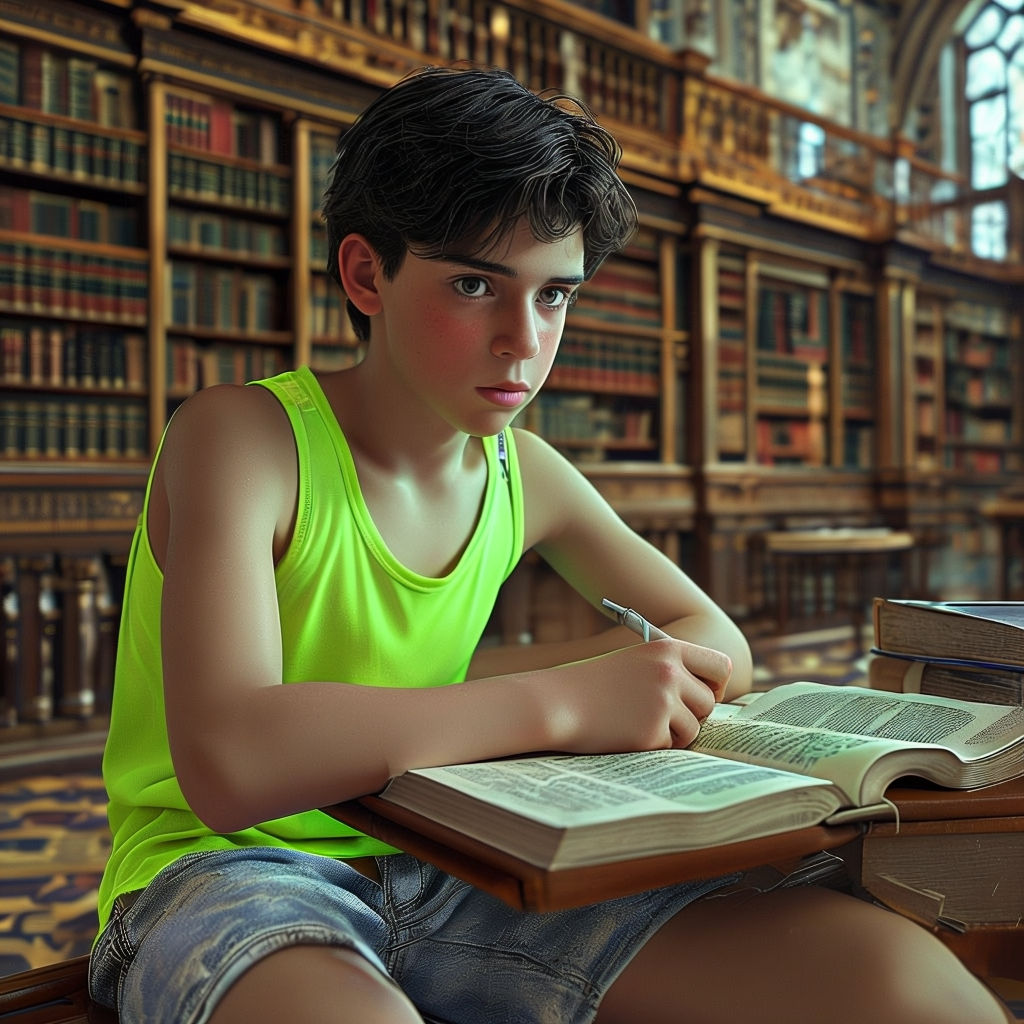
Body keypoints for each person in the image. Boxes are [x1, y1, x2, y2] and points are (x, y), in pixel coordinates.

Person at [89, 65, 1011, 1024]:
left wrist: (561, 684)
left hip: (469, 851)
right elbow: (233, 763)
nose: (521, 342)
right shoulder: (241, 440)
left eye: (555, 296)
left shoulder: (525, 474)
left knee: (899, 985)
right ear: (367, 274)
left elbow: (717, 643)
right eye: (475, 284)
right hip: (227, 872)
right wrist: (562, 699)